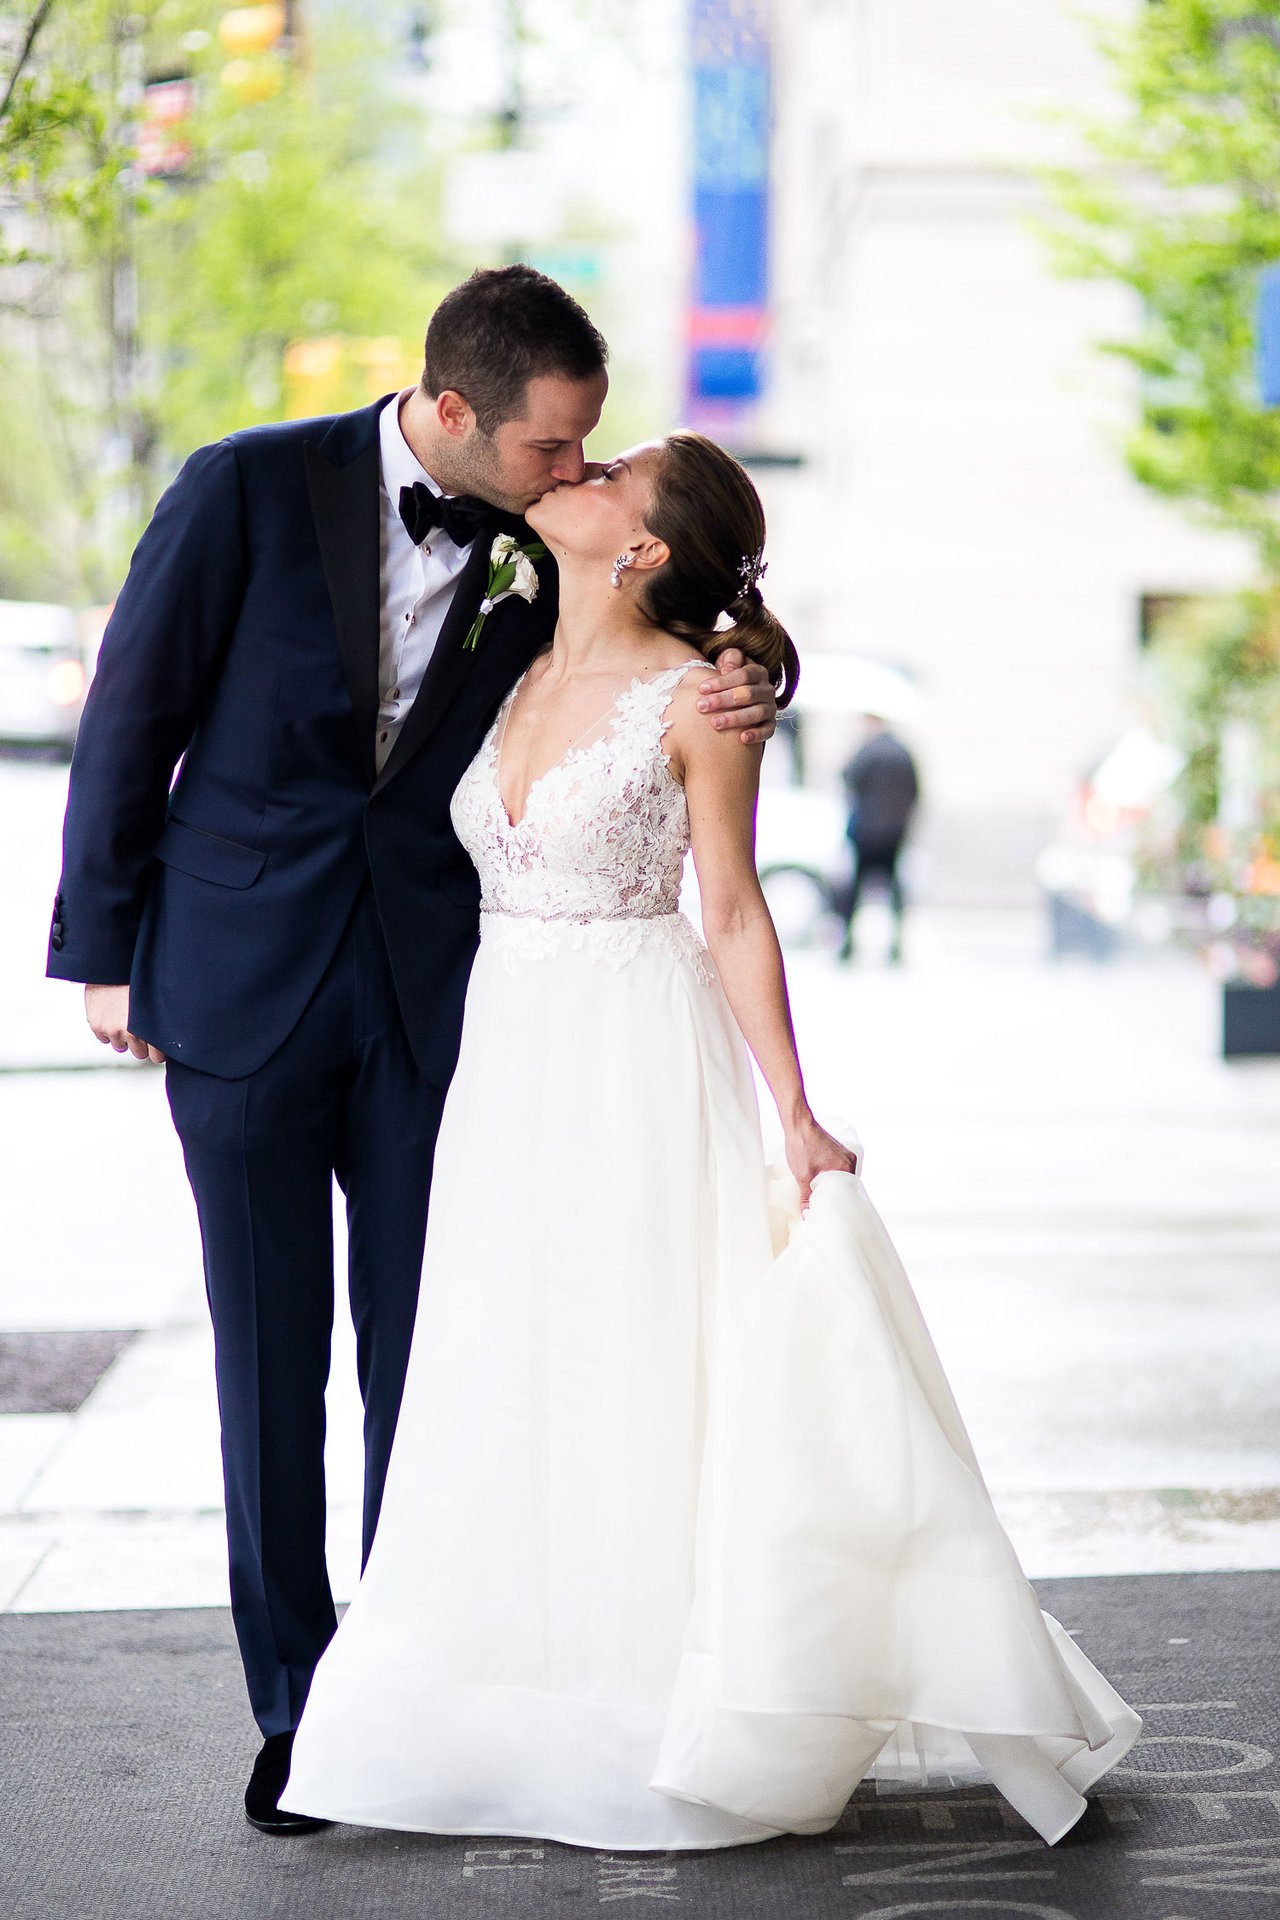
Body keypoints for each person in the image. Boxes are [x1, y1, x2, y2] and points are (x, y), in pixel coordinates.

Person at [281, 431, 1140, 1850]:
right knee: (504, 1359)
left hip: (633, 1046)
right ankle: (480, 1700)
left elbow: (734, 911)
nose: (579, 466)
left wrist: (795, 1111)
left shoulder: (701, 703)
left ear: (645, 549)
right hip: (505, 1059)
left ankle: (640, 1700)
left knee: (635, 1356)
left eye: (609, 468)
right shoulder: (508, 660)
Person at [45, 267, 779, 1835]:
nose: (571, 473)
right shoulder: (243, 489)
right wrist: (101, 949)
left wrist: (730, 674)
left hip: (431, 1006)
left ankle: (409, 1682)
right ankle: (299, 1711)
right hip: (235, 983)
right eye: (549, 448)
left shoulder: (540, 548)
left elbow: (631, 657)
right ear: (454, 411)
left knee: (424, 1359)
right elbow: (131, 719)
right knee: (267, 1358)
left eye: (587, 454)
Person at [839, 713, 920, 964]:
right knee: (893, 890)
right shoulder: (902, 752)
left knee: (856, 890)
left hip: (867, 831)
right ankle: (895, 946)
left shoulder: (869, 751)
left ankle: (849, 943)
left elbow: (847, 777)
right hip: (894, 832)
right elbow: (915, 792)